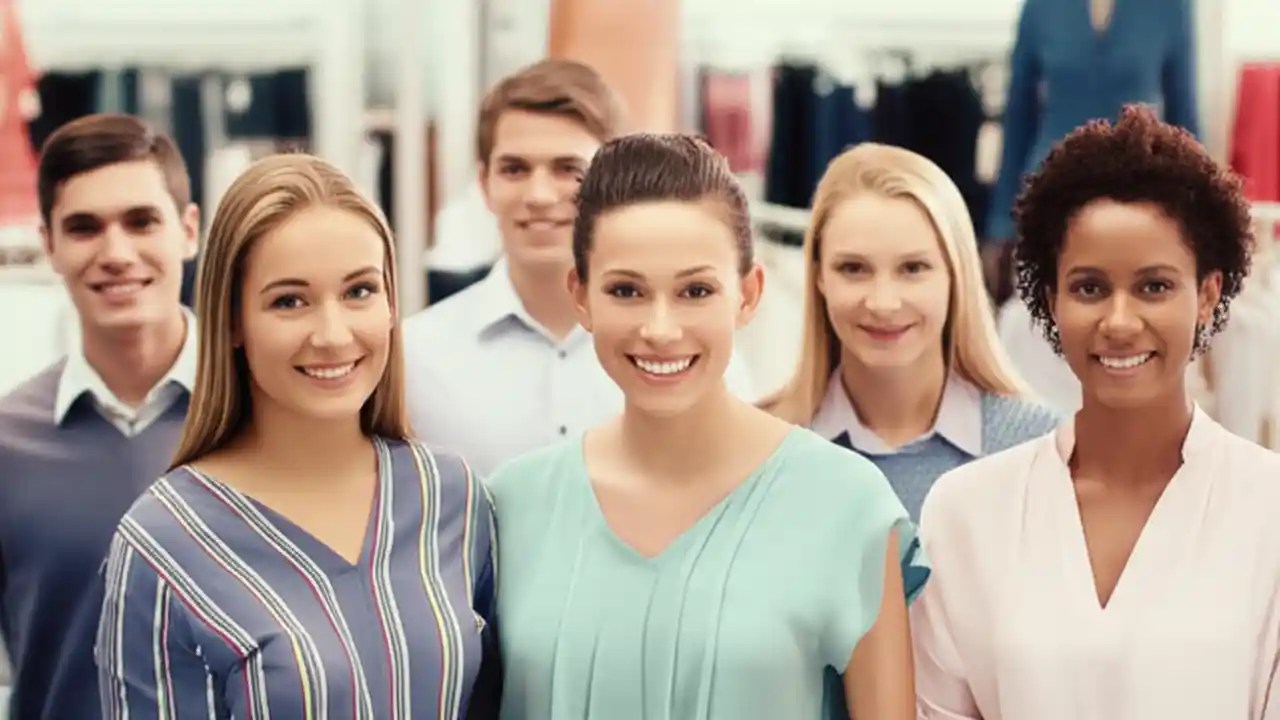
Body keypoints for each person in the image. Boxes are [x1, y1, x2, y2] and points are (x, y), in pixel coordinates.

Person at [487, 134, 928, 720]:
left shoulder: (849, 505)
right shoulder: (511, 507)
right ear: (581, 296)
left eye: (695, 291)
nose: (660, 329)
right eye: (626, 290)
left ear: (748, 296)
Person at [94, 154, 499, 719]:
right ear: (232, 321)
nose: (333, 335)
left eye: (359, 291)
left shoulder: (451, 496)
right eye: (290, 301)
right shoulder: (163, 543)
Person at [912, 105, 1280, 719]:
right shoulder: (967, 512)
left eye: (1154, 286)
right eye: (1089, 288)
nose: (1118, 321)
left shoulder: (1270, 508)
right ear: (1051, 300)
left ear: (1207, 294)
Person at [403, 59, 754, 476]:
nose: (538, 194)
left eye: (568, 169)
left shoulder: (691, 352)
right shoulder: (415, 358)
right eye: (514, 169)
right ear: (484, 184)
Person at [0, 114, 199, 719]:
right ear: (50, 245)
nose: (116, 254)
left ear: (188, 231)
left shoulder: (271, 418)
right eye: (84, 228)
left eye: (142, 222)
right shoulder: (6, 447)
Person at [764, 143, 1058, 521]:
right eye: (853, 269)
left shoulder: (1042, 449)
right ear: (818, 275)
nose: (883, 303)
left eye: (913, 268)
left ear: (956, 275)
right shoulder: (759, 454)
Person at [981, 0, 1199, 302]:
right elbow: (1018, 117)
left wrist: (1201, 219)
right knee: (1044, 323)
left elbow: (1184, 119)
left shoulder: (1169, 7)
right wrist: (999, 225)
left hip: (1136, 196)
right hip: (1050, 194)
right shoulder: (1041, 7)